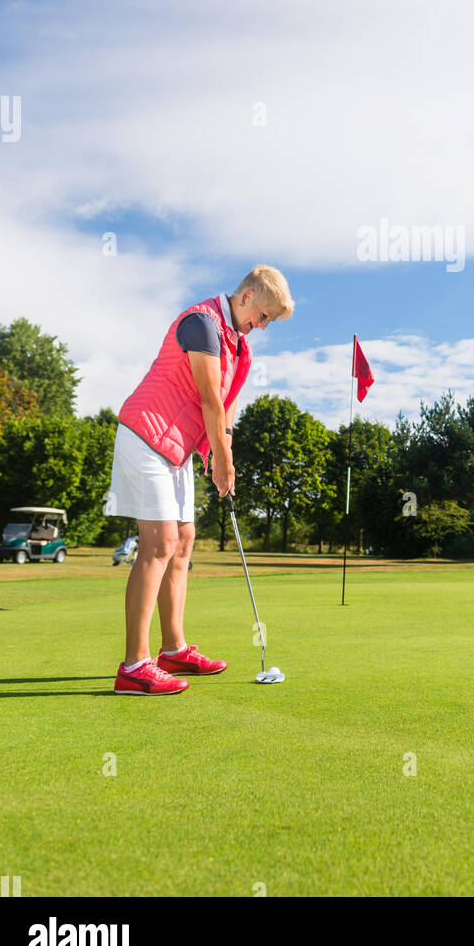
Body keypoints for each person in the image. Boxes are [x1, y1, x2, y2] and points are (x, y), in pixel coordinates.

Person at [106, 266, 294, 695]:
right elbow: (208, 396)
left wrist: (221, 454)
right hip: (146, 433)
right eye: (263, 316)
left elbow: (225, 410)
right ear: (246, 296)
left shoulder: (238, 347)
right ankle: (134, 666)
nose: (262, 327)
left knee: (183, 542)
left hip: (177, 448)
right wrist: (223, 464)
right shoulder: (202, 325)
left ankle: (172, 649)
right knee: (157, 545)